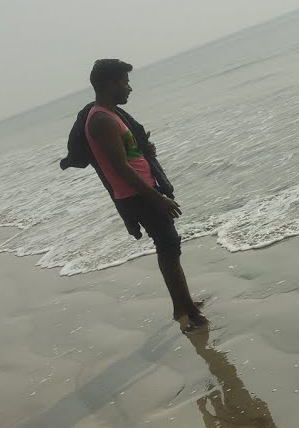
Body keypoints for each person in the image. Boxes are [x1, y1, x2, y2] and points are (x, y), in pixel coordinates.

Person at [78, 58, 208, 330]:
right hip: (139, 195)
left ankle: (183, 306)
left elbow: (128, 156)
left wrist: (145, 151)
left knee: (169, 247)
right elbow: (121, 169)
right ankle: (187, 313)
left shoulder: (110, 113)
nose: (129, 88)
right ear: (108, 84)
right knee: (169, 248)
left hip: (142, 191)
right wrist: (157, 198)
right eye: (124, 82)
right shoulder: (101, 120)